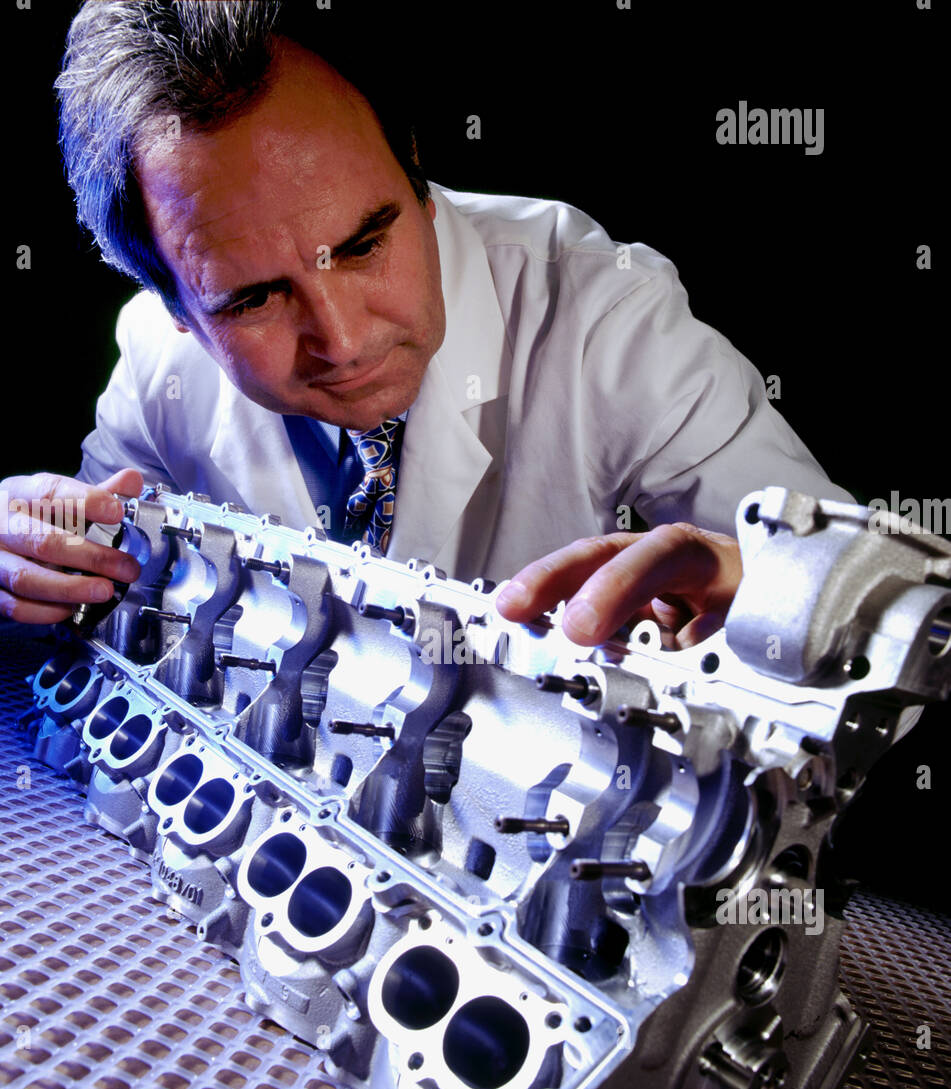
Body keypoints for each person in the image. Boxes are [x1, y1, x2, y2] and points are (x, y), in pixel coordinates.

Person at [0, 0, 852, 645]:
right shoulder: (157, 362)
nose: (342, 339)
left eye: (365, 242)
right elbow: (84, 599)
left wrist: (772, 589)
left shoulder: (600, 310)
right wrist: (29, 554)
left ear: (414, 168)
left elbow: (874, 601)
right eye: (253, 299)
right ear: (174, 309)